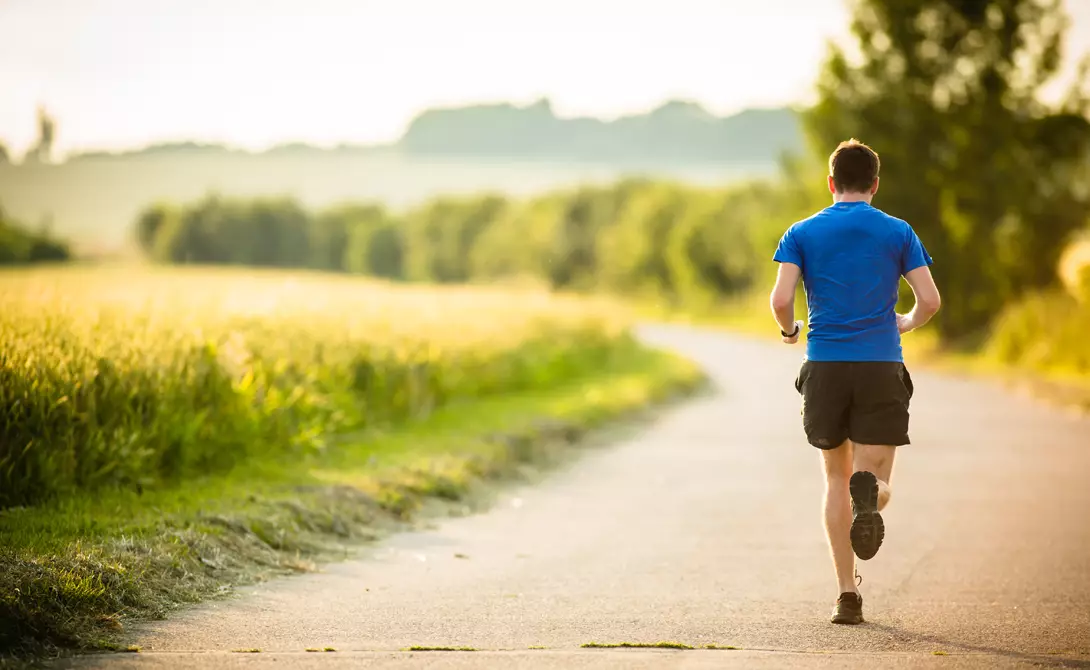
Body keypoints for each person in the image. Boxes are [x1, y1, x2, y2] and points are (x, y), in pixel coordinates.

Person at [768, 138, 942, 625]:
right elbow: (929, 301)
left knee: (834, 479)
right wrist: (905, 321)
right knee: (874, 479)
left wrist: (789, 331)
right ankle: (875, 497)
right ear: (875, 184)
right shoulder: (897, 231)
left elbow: (781, 299)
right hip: (879, 365)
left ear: (830, 183)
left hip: (824, 365)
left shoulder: (801, 232)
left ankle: (847, 596)